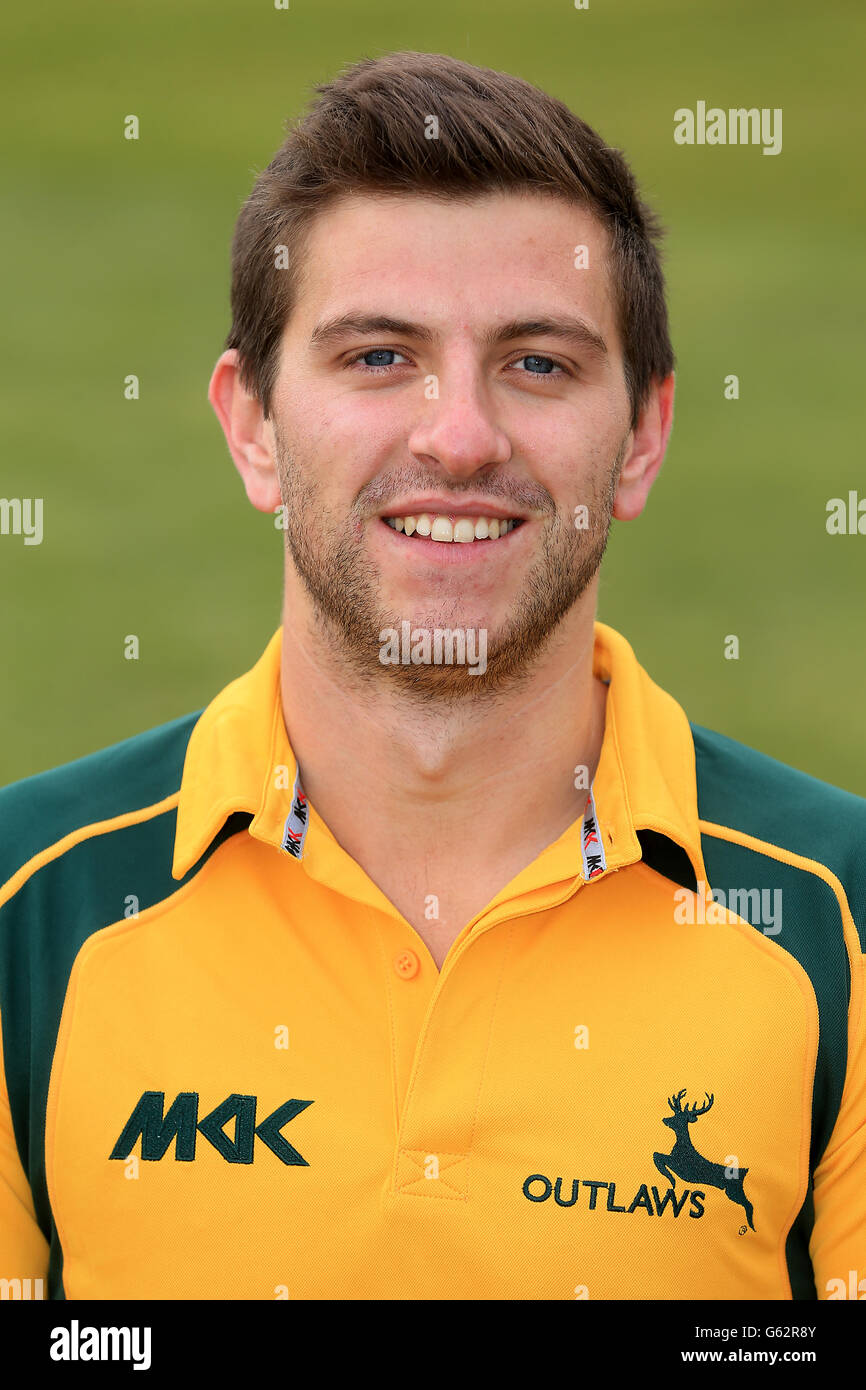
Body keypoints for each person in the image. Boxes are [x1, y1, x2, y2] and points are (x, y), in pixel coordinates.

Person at [0, 51, 863, 1302]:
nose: (457, 435)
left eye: (538, 363)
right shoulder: (29, 909)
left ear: (642, 439)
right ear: (252, 428)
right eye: (375, 357)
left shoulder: (839, 921)